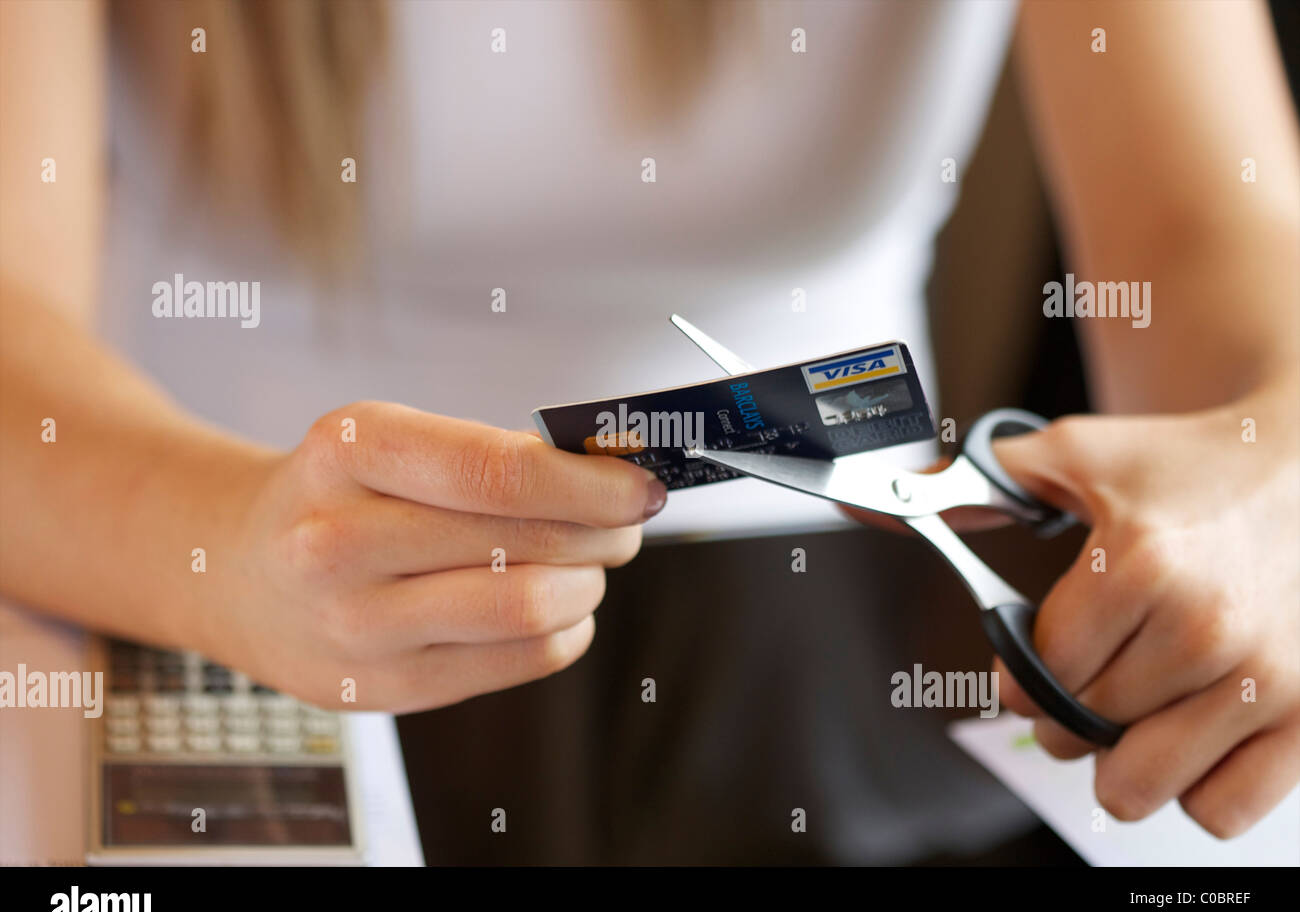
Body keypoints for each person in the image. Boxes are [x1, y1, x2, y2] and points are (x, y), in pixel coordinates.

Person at [1, 0, 1296, 863]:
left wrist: (1272, 463)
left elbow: (1219, 238)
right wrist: (221, 550)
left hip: (850, 625)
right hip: (201, 569)